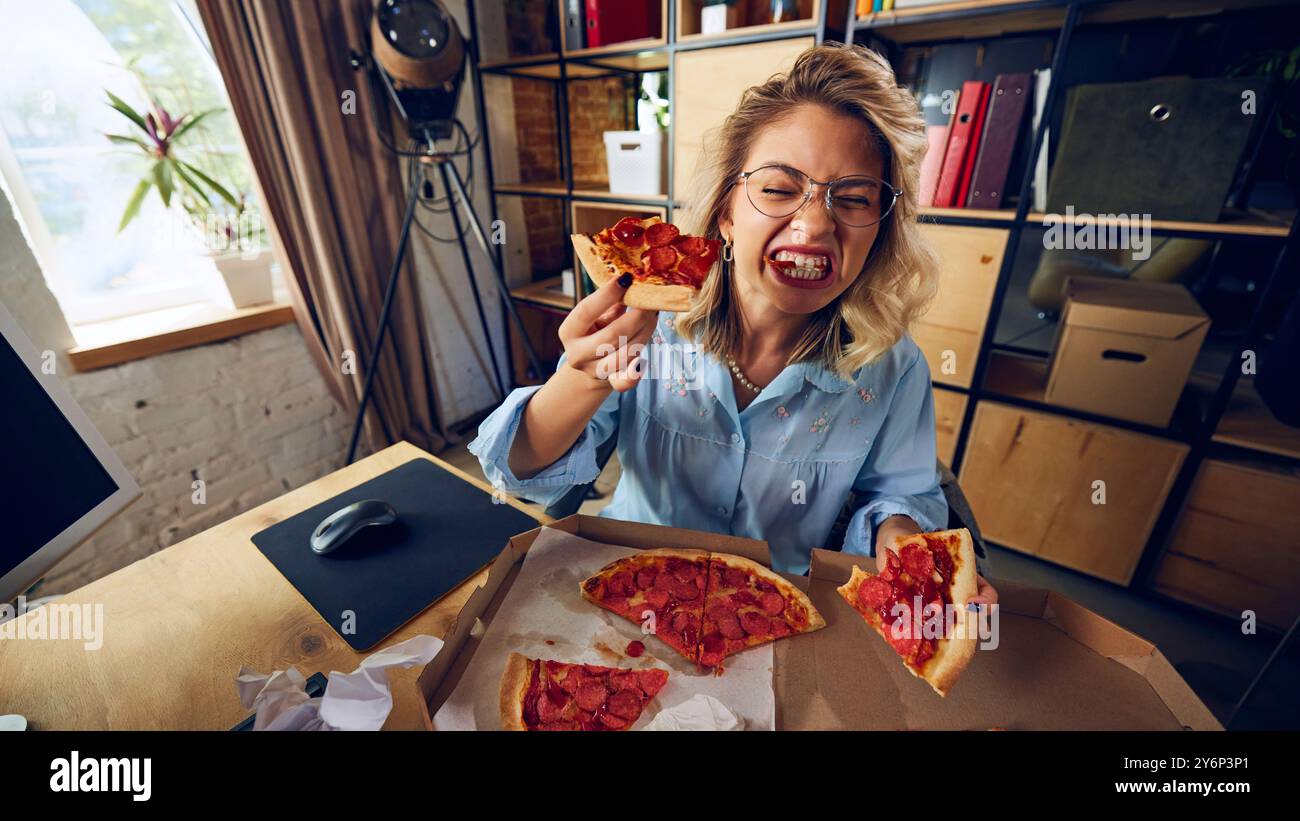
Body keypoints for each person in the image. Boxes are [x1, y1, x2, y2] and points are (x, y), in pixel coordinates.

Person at [471, 43, 997, 606]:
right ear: (726, 211)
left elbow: (896, 500)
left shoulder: (891, 365)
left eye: (853, 199)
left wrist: (912, 563)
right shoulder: (650, 323)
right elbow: (517, 474)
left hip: (775, 609)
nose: (814, 226)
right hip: (622, 587)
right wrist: (583, 378)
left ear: (880, 230)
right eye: (777, 189)